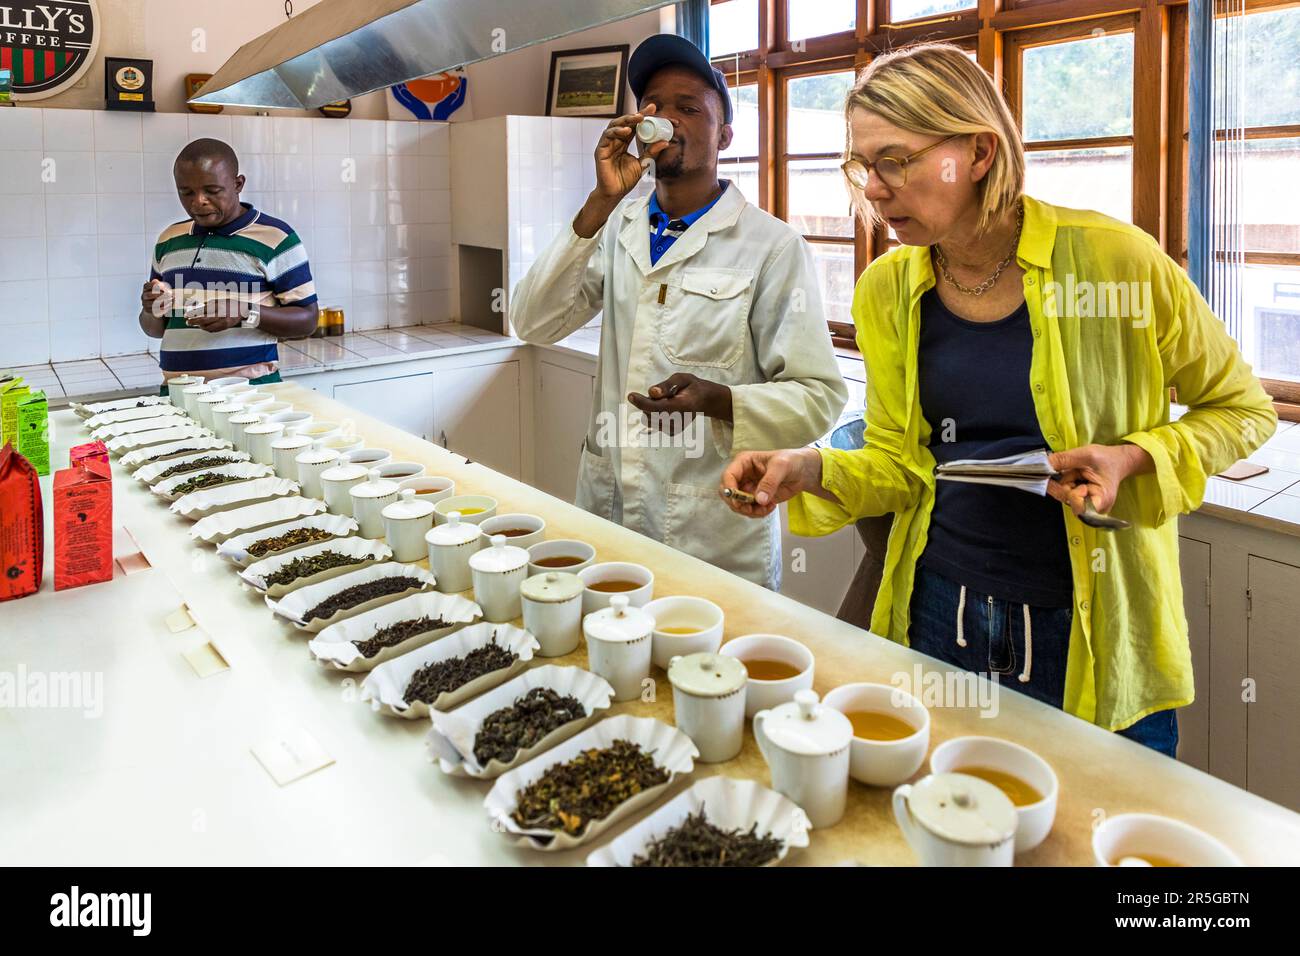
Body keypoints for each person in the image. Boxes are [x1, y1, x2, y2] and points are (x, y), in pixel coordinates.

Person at [720, 42, 1277, 755]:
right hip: (936, 609)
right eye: (863, 166)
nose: (875, 189)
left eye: (897, 160)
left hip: (1090, 628)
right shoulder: (888, 289)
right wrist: (807, 468)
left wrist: (1132, 458)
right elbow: (899, 463)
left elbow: (1242, 409)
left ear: (979, 152)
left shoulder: (1115, 262)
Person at [512, 35, 847, 589]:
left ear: (724, 135)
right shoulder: (617, 227)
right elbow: (533, 321)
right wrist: (601, 201)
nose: (666, 119)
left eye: (688, 108)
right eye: (653, 106)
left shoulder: (771, 247)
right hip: (609, 514)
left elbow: (819, 398)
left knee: (710, 671)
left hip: (712, 534)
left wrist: (718, 400)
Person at [139, 138, 318, 393]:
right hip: (179, 393)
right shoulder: (169, 239)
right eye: (186, 192)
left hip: (252, 394)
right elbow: (154, 329)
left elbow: (308, 320)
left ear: (238, 184)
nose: (198, 201)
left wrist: (244, 311)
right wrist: (152, 308)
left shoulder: (276, 238)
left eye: (212, 190)